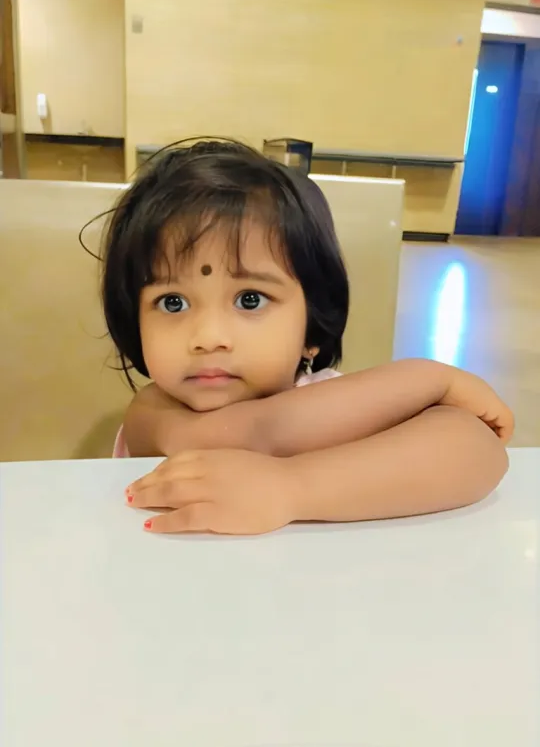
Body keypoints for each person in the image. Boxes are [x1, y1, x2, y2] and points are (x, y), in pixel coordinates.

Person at [93, 139, 513, 535]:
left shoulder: (330, 396)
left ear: (313, 325)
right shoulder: (153, 413)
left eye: (250, 299)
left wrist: (292, 488)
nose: (208, 337)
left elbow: (477, 449)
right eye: (172, 303)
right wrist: (428, 378)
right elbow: (259, 432)